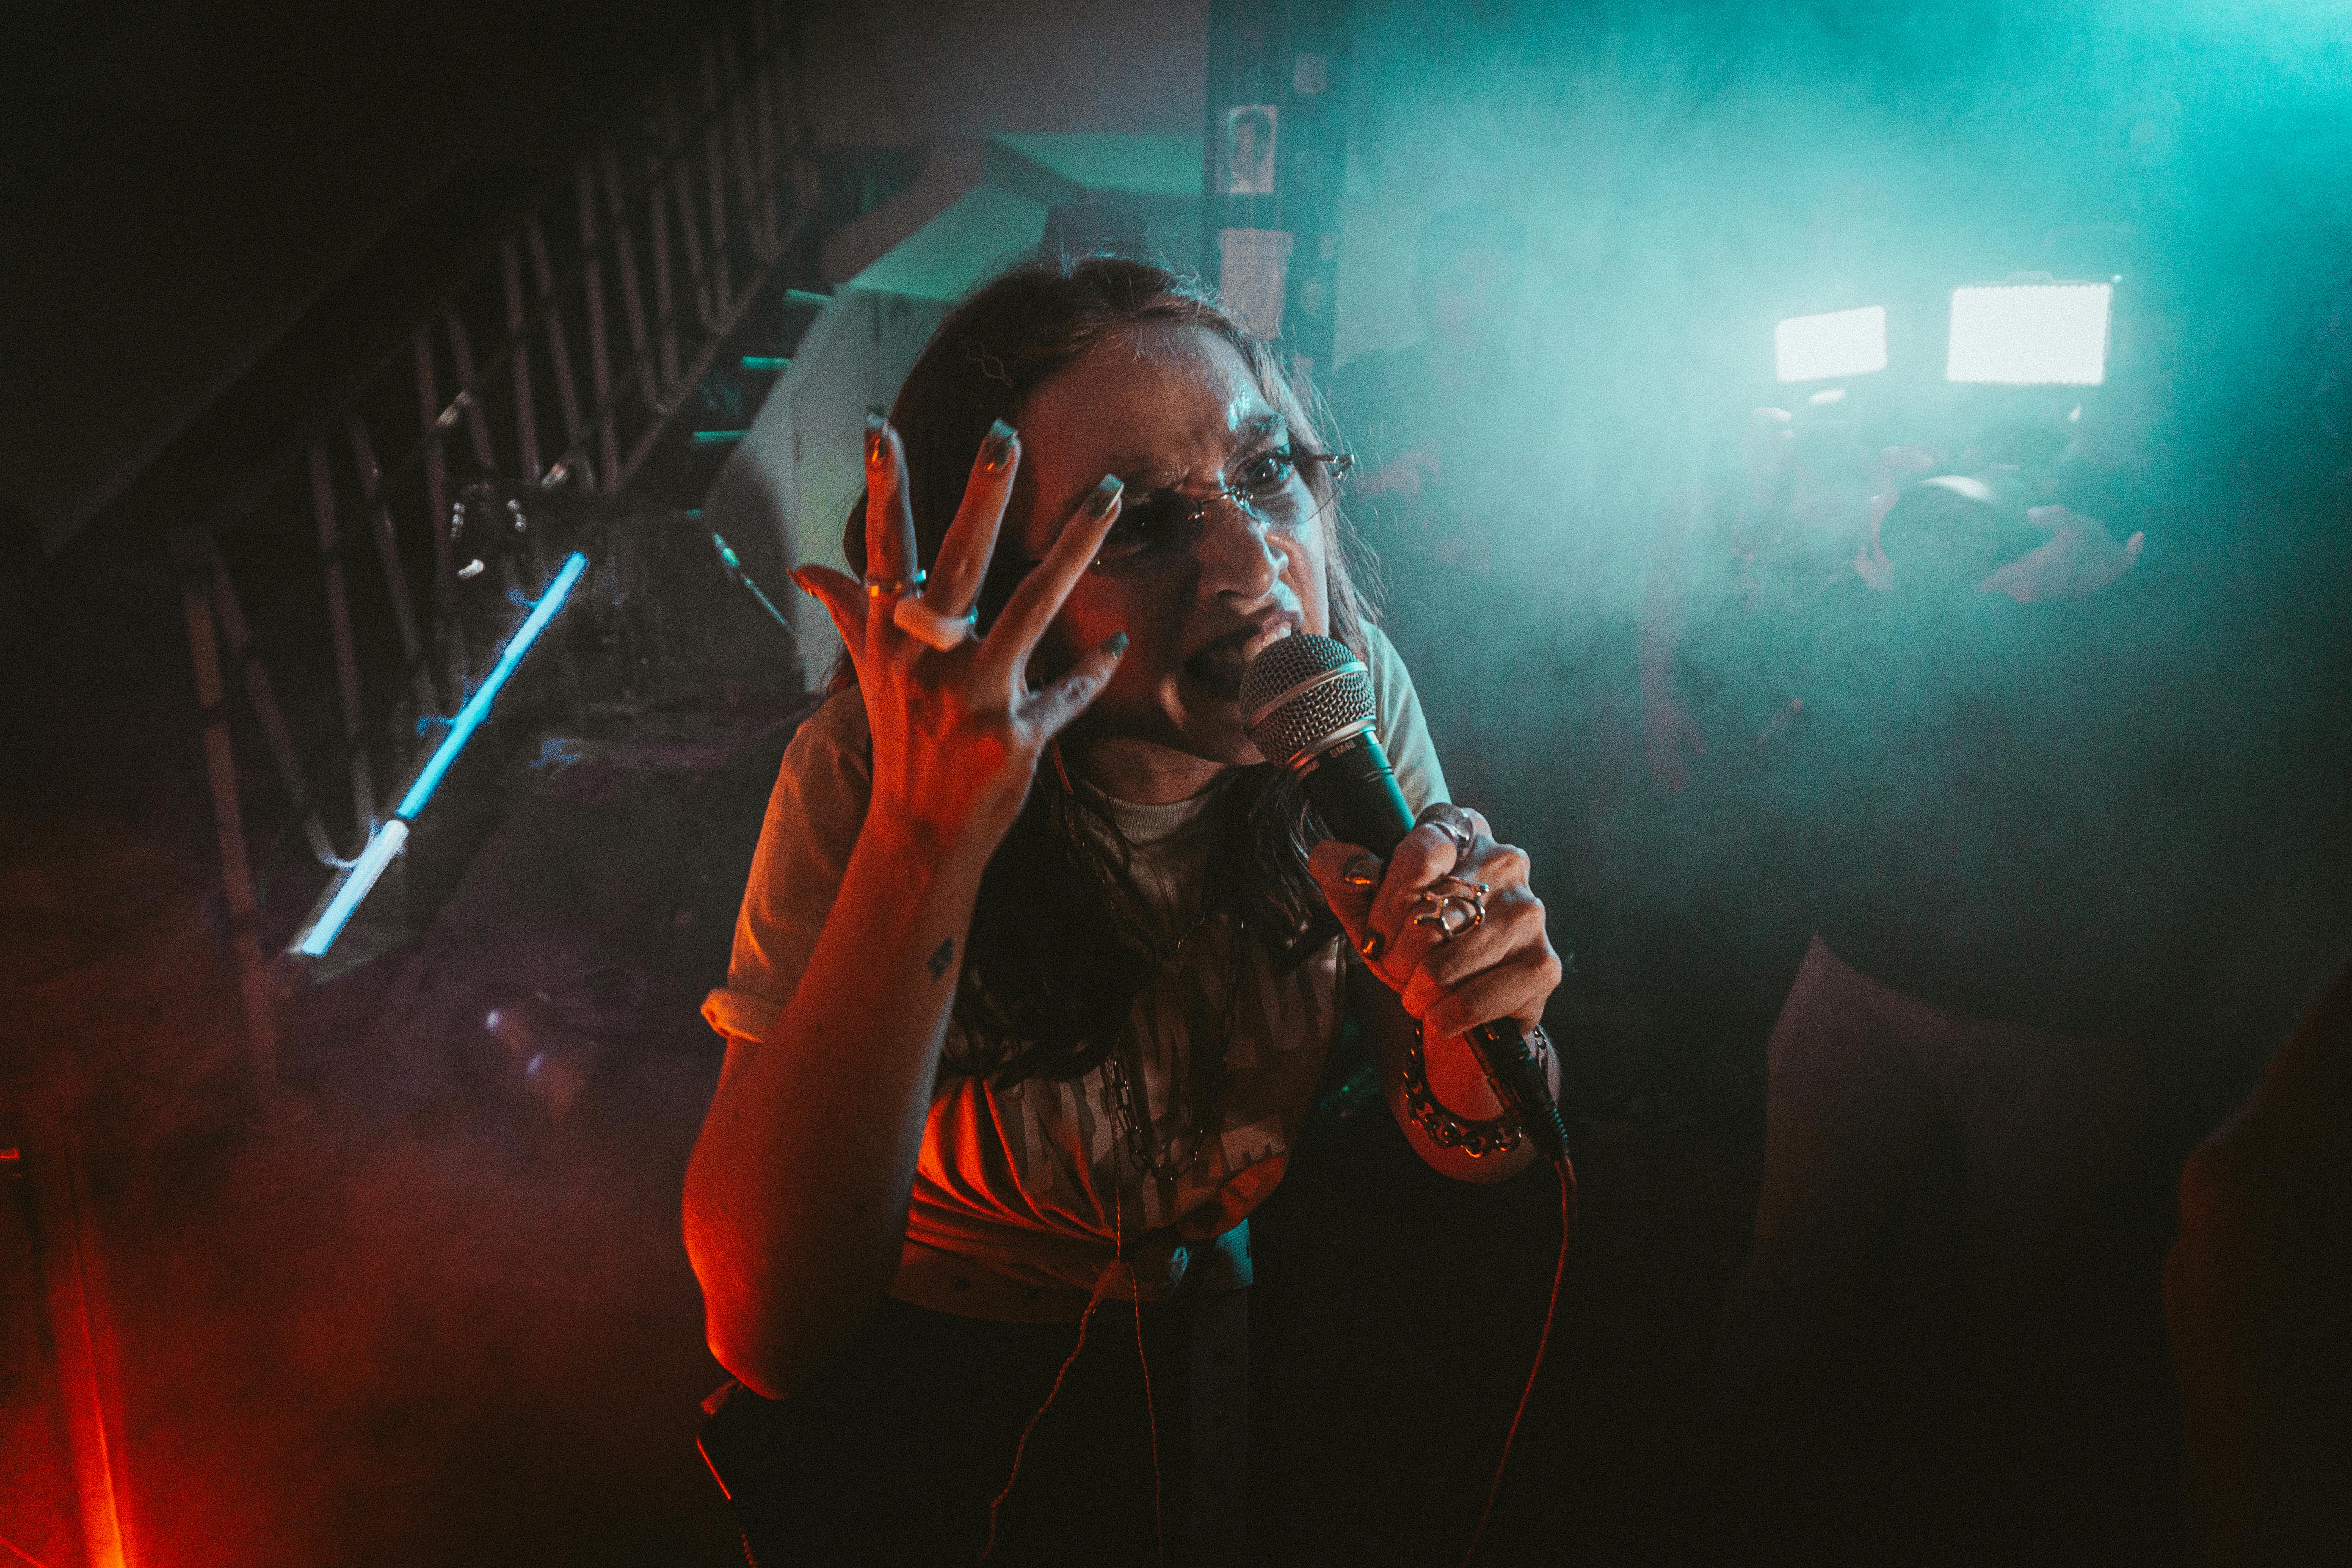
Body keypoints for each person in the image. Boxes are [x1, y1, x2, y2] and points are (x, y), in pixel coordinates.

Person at [682, 256, 1565, 1562]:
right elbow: (767, 1329)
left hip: (1225, 1336)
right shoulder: (870, 766)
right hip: (938, 1389)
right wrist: (929, 839)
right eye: (1139, 527)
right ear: (1006, 603)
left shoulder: (1350, 685)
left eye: (1267, 476)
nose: (1251, 565)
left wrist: (1472, 1025)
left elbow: (1465, 1143)